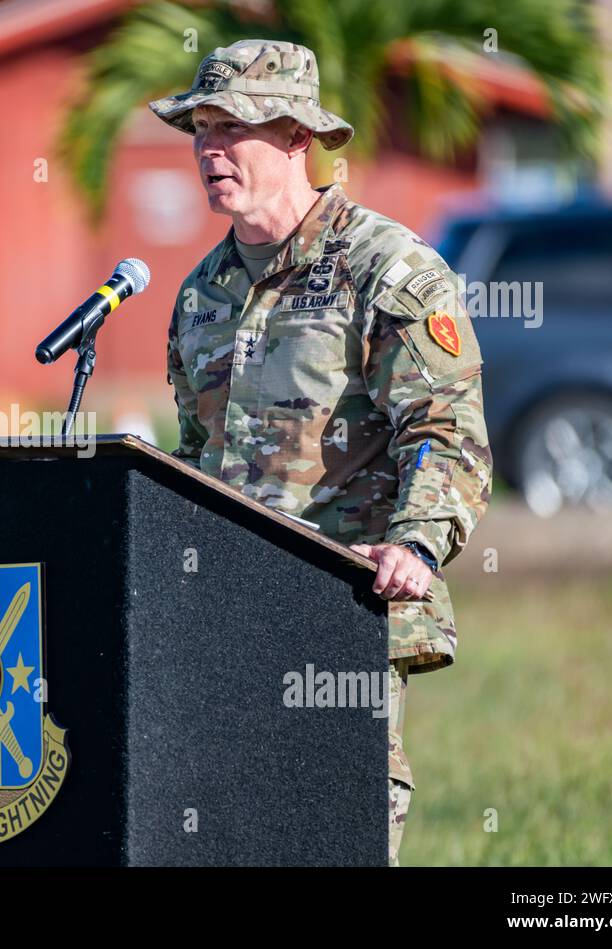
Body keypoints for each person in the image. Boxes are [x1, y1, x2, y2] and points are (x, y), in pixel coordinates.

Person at [149, 39, 493, 865]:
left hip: (342, 607)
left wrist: (416, 544)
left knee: (332, 839)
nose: (209, 149)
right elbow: (197, 458)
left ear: (298, 138)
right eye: (200, 127)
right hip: (225, 624)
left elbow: (449, 432)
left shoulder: (386, 268)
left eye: (232, 126)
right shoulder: (202, 294)